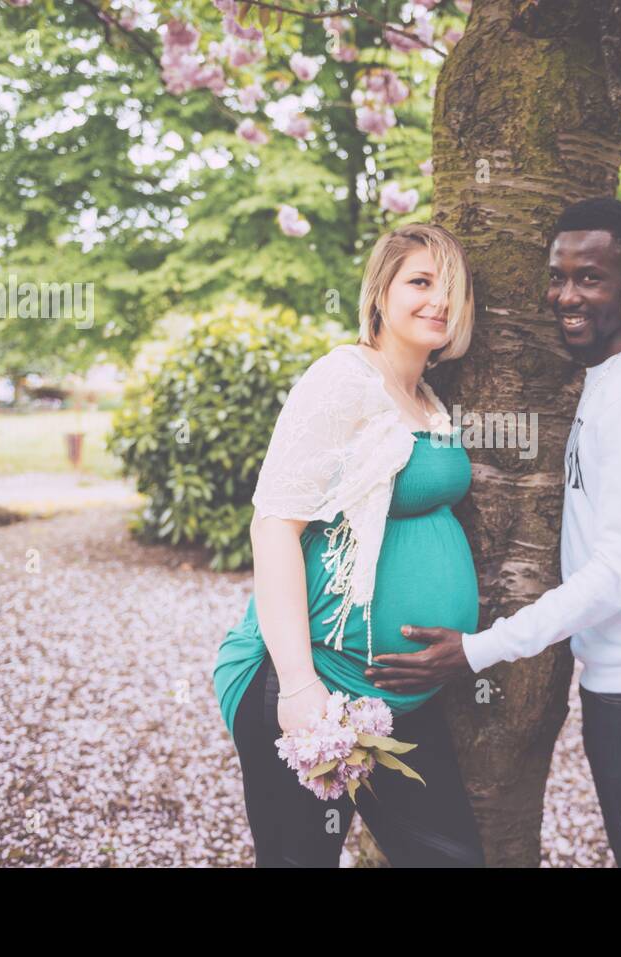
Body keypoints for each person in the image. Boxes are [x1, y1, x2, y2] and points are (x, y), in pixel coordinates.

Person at [366, 197, 621, 867]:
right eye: (558, 276)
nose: (567, 295)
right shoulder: (608, 377)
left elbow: (620, 570)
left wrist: (479, 649)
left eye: (590, 277)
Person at [212, 223, 485, 867]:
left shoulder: (427, 398)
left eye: (451, 287)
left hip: (399, 697)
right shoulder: (341, 381)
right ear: (379, 293)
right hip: (316, 680)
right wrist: (300, 691)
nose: (438, 299)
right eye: (420, 281)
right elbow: (274, 525)